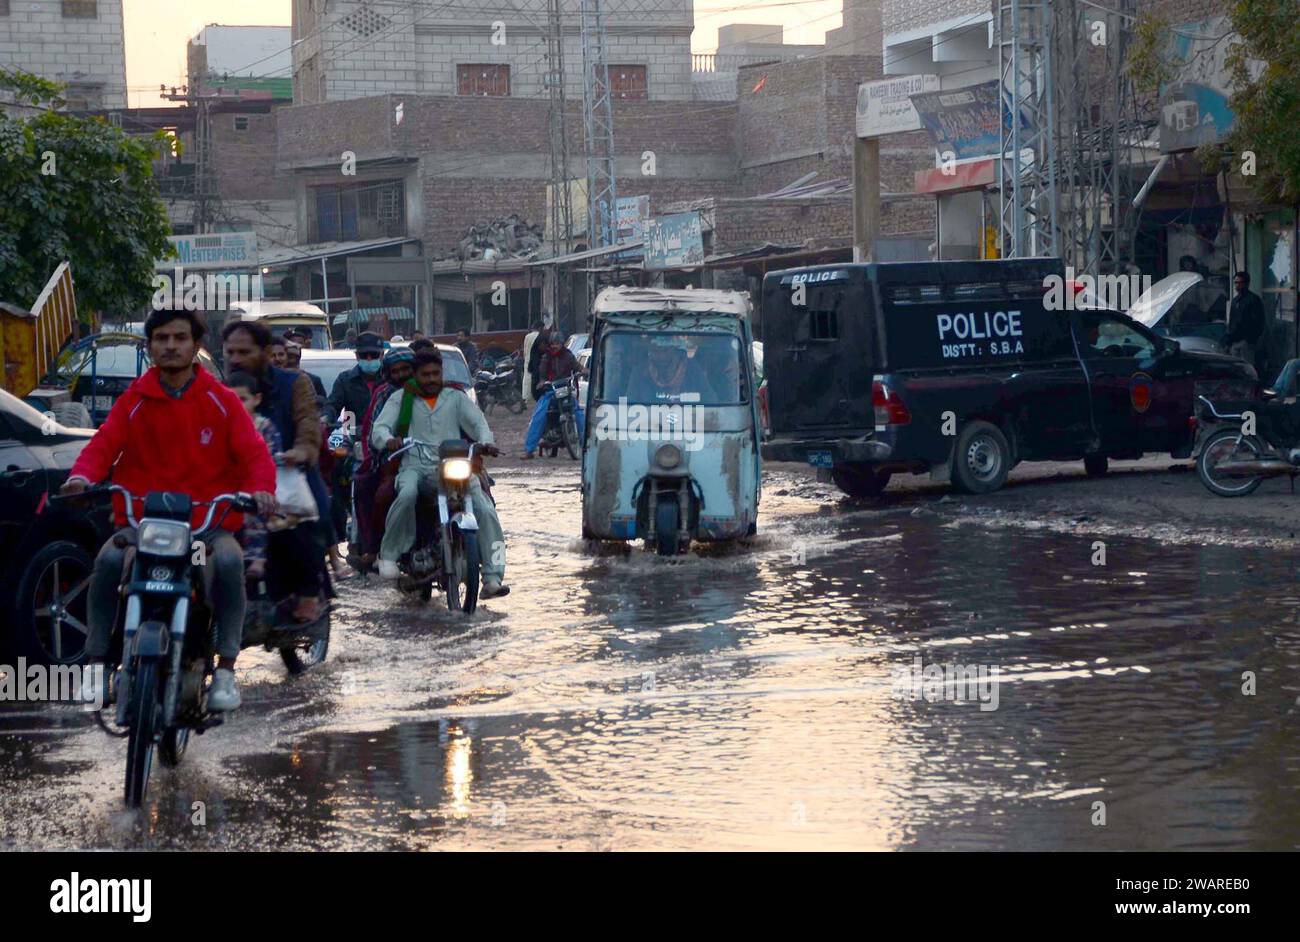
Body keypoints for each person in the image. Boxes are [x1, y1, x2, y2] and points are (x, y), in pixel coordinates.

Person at [61, 309, 277, 712]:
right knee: (108, 562)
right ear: (150, 346)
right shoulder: (134, 400)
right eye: (162, 339)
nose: (171, 346)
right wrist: (80, 478)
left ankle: (227, 671)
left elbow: (254, 455)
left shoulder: (222, 400)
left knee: (231, 563)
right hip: (143, 524)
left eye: (180, 338)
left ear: (196, 346)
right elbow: (102, 446)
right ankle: (94, 667)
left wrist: (260, 491)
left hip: (206, 528)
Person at [371, 348, 509, 597]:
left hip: (454, 465)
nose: (432, 379)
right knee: (407, 494)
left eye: (436, 373)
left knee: (485, 508)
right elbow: (379, 428)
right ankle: (388, 555)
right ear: (416, 375)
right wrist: (389, 439)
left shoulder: (455, 397)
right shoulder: (401, 398)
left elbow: (478, 423)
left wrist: (485, 442)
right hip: (415, 465)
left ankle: (492, 577)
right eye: (426, 375)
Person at [222, 318, 330, 622]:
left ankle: (309, 592)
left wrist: (302, 451)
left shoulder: (294, 383)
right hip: (233, 478)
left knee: (311, 517)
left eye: (244, 352)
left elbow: (308, 423)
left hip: (287, 474)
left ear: (266, 351)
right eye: (230, 352)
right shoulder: (219, 389)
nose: (236, 359)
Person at [352, 347, 416, 572]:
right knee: (370, 488)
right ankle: (373, 548)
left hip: (435, 458)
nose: (401, 375)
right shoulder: (385, 395)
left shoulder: (443, 392)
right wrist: (387, 443)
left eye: (406, 369)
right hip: (395, 458)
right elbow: (374, 431)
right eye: (395, 371)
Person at [523, 330, 585, 459]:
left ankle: (586, 444)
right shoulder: (546, 357)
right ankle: (529, 450)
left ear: (562, 344)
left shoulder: (568, 356)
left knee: (579, 413)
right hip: (551, 391)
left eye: (557, 343)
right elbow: (542, 372)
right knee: (539, 415)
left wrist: (585, 371)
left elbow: (578, 367)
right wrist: (542, 382)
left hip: (566, 390)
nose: (555, 346)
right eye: (553, 344)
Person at [325, 331, 385, 426]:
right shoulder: (345, 380)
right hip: (353, 436)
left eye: (374, 355)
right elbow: (333, 406)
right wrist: (325, 418)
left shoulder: (390, 378)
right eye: (364, 355)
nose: (369, 359)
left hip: (386, 437)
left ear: (382, 355)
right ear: (357, 356)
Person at [1224, 270, 1265, 371]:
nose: (1237, 285)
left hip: (1246, 342)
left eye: (1240, 283)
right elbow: (1232, 321)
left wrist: (1250, 339)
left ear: (1246, 283)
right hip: (1234, 341)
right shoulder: (1235, 300)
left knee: (1248, 369)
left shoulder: (1253, 300)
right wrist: (1229, 340)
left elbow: (1259, 322)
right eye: (1236, 283)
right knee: (1236, 369)